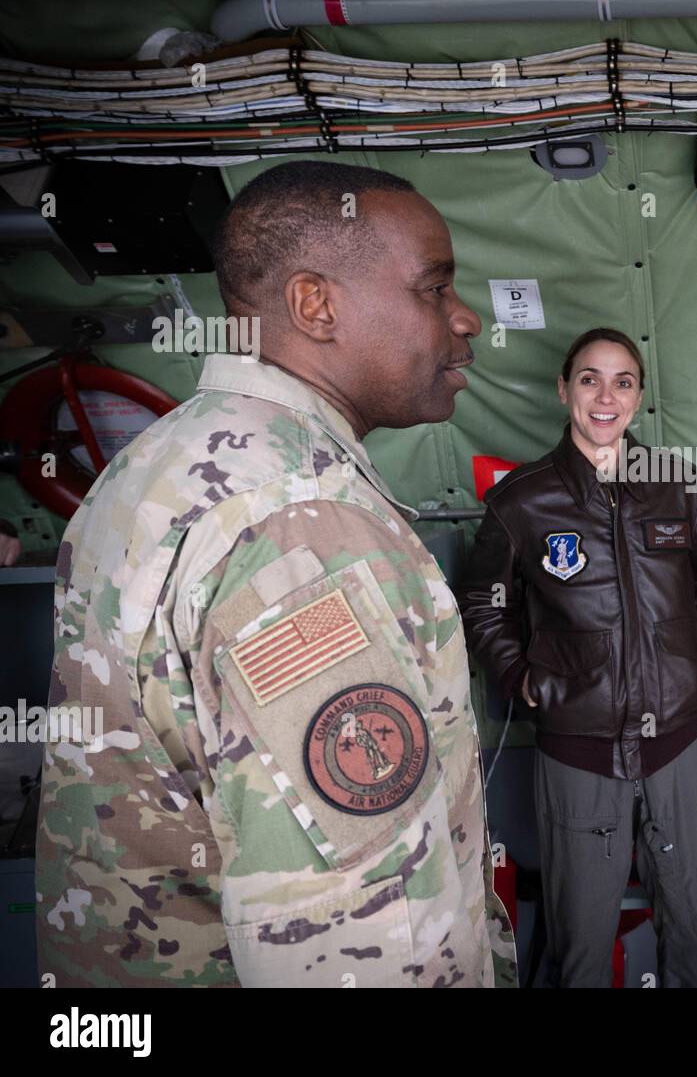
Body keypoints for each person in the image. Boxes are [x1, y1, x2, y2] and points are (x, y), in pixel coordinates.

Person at [34, 161, 515, 987]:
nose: (465, 319)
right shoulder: (302, 529)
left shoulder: (154, 464)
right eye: (434, 289)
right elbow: (359, 940)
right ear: (314, 304)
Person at [460, 327, 697, 987]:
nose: (605, 395)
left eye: (622, 380)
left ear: (639, 395)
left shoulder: (681, 485)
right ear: (564, 389)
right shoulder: (522, 501)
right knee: (581, 941)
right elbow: (483, 601)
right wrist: (520, 676)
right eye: (590, 378)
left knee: (695, 928)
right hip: (578, 747)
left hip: (678, 737)